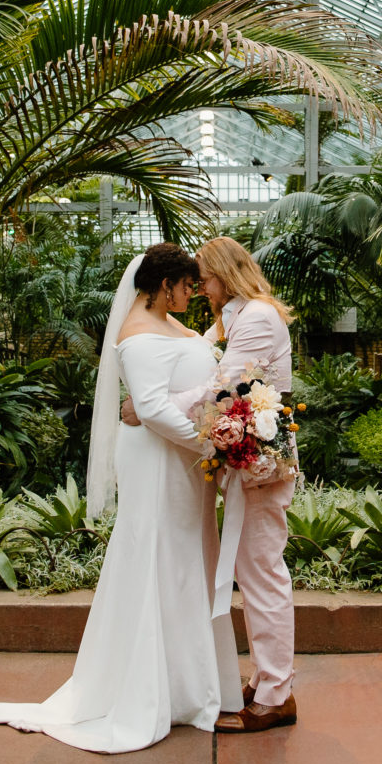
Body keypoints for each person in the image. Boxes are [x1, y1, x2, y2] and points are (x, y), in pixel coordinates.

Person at [0, 244, 239, 753]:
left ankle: (189, 686)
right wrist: (213, 441)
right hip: (161, 461)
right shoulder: (137, 337)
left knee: (188, 559)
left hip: (184, 460)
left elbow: (194, 356)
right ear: (165, 287)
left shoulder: (169, 323)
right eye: (187, 286)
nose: (193, 294)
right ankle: (156, 690)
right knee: (161, 557)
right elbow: (154, 411)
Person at [125, 235, 299, 733]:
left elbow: (225, 385)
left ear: (224, 273)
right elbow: (192, 344)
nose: (198, 289)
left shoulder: (259, 317)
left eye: (202, 279)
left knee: (262, 572)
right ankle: (270, 680)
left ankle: (276, 695)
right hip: (247, 458)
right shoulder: (237, 315)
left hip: (263, 461)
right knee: (256, 568)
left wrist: (151, 406)